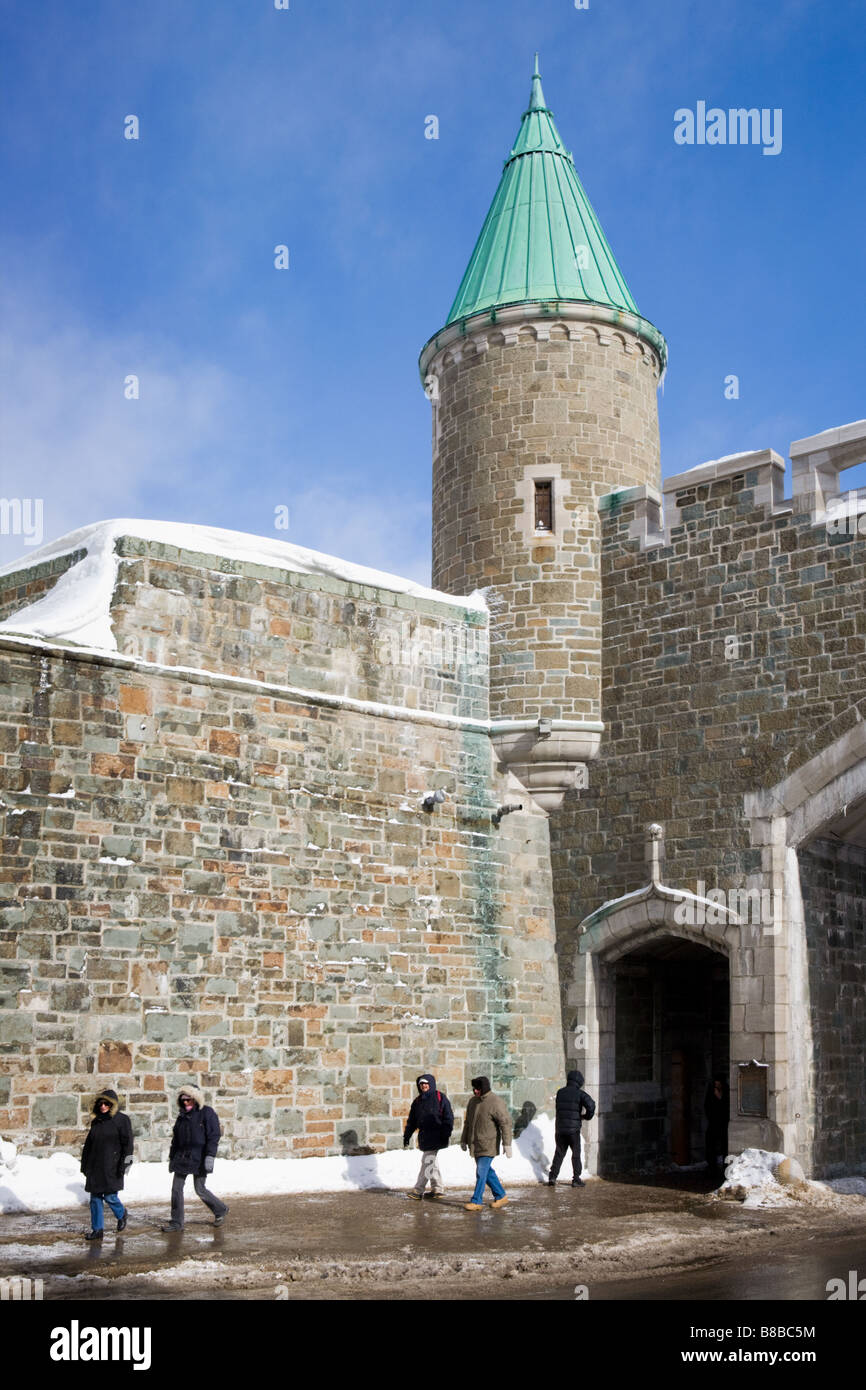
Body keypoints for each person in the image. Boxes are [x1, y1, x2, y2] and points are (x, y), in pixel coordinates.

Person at [161, 1084, 228, 1231]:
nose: (186, 1102)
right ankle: (177, 1222)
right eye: (183, 1099)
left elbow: (213, 1135)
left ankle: (220, 1209)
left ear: (195, 1099)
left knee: (200, 1189)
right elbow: (176, 1140)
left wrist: (210, 1156)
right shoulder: (182, 1117)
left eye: (189, 1099)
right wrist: (172, 1158)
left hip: (200, 1156)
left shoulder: (207, 1113)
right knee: (176, 1189)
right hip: (182, 1157)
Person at [80, 1087, 133, 1240]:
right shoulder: (96, 1121)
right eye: (101, 1104)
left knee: (110, 1196)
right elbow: (89, 1145)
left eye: (107, 1104)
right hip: (95, 1166)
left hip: (113, 1165)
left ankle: (121, 1213)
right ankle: (97, 1230)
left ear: (113, 1105)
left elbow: (128, 1144)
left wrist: (126, 1163)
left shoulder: (122, 1120)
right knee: (95, 1199)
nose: (103, 1106)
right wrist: (85, 1165)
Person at [460, 1075, 512, 1211]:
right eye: (474, 1089)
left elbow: (505, 1123)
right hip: (476, 1144)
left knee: (481, 1172)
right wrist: (464, 1139)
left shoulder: (495, 1102)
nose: (475, 1091)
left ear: (484, 1088)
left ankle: (476, 1201)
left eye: (478, 1089)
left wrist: (507, 1144)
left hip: (488, 1144)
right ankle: (501, 1196)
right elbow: (468, 1123)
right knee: (487, 1172)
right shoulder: (472, 1102)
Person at [403, 1072, 454, 1199]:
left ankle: (418, 1190)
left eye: (426, 1083)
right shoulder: (417, 1101)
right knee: (431, 1162)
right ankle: (437, 1189)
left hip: (437, 1135)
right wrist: (407, 1136)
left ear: (431, 1084)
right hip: (425, 1137)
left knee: (427, 1162)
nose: (423, 1086)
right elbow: (412, 1120)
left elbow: (448, 1117)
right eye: (421, 1084)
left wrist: (446, 1133)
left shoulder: (440, 1097)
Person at [547, 1070, 596, 1188]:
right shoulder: (580, 1094)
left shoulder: (560, 1092)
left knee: (559, 1153)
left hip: (560, 1129)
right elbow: (591, 1105)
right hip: (573, 1130)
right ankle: (576, 1178)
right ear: (579, 1082)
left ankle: (553, 1177)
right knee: (576, 1154)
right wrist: (586, 1116)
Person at [704, 1073, 729, 1186]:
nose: (716, 1084)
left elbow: (727, 1105)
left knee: (725, 1146)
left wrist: (720, 1098)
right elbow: (707, 1105)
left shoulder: (727, 1091)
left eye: (718, 1082)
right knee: (710, 1145)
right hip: (713, 1122)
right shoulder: (711, 1091)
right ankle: (712, 1168)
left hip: (723, 1123)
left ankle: (725, 1168)